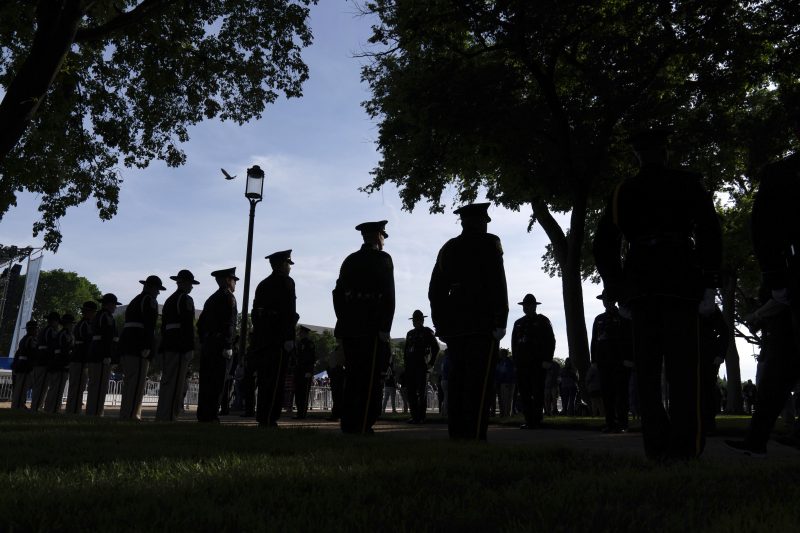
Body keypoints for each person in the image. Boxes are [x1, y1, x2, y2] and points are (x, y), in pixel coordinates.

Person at [593, 126, 722, 460]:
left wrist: (617, 285)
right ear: (665, 152)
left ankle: (657, 446)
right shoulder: (687, 183)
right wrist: (709, 280)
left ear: (637, 156)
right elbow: (709, 230)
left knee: (648, 373)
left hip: (641, 284)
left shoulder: (624, 190)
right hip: (680, 279)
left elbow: (604, 243)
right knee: (683, 371)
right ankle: (686, 446)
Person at [429, 203, 509, 440]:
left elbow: (436, 291)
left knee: (456, 382)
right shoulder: (489, 243)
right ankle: (474, 434)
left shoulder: (448, 248)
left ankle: (457, 434)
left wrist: (441, 323)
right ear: (479, 222)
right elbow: (498, 284)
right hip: (482, 322)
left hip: (455, 326)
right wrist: (500, 320)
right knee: (479, 384)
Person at [333, 220, 395, 434]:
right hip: (372, 326)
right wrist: (385, 327)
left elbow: (338, 294)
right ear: (378, 236)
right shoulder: (383, 259)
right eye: (383, 236)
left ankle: (349, 422)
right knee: (370, 379)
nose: (384, 241)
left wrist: (343, 321)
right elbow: (388, 295)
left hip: (351, 327)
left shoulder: (349, 260)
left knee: (352, 377)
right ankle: (364, 423)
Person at [250, 250, 297, 427]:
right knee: (276, 381)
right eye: (288, 264)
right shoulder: (286, 282)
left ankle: (263, 415)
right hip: (278, 338)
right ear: (282, 264)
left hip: (263, 339)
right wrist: (289, 337)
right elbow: (288, 312)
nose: (289, 267)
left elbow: (255, 314)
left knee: (264, 381)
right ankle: (270, 418)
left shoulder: (263, 284)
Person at [119, 275, 164, 420]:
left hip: (128, 344)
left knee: (129, 381)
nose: (158, 293)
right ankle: (132, 414)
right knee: (137, 382)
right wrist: (147, 345)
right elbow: (149, 325)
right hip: (139, 345)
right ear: (152, 288)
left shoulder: (135, 300)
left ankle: (126, 412)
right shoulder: (150, 301)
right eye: (157, 289)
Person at [196, 267, 239, 423]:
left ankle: (203, 414)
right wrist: (228, 344)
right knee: (217, 382)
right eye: (234, 280)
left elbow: (200, 325)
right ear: (228, 280)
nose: (235, 283)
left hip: (209, 344)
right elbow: (230, 324)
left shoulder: (211, 298)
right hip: (221, 345)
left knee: (207, 381)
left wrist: (205, 340)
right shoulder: (229, 298)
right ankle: (211, 415)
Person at [156, 269, 199, 421]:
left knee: (167, 381)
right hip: (180, 344)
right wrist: (190, 346)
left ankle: (162, 413)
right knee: (176, 382)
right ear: (185, 283)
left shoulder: (169, 300)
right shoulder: (186, 299)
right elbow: (188, 325)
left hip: (168, 343)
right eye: (191, 284)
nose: (192, 287)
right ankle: (169, 415)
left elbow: (164, 326)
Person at [590, 290, 634, 433]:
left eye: (608, 299)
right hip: (603, 361)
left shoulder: (623, 317)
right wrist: (594, 360)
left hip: (619, 361)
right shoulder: (599, 319)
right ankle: (610, 423)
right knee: (607, 394)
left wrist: (629, 358)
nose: (606, 302)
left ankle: (622, 423)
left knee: (621, 393)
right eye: (604, 299)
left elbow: (629, 338)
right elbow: (594, 341)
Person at [511, 293, 555, 429]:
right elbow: (514, 345)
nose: (526, 307)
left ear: (534, 306)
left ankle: (537, 419)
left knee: (537, 392)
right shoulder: (518, 323)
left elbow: (550, 341)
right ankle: (529, 419)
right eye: (525, 305)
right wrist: (515, 363)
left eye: (529, 305)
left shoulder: (543, 321)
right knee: (524, 393)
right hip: (522, 364)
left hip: (537, 363)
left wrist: (547, 359)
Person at [86, 293, 122, 416]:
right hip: (101, 354)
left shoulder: (100, 316)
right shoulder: (105, 316)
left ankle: (94, 411)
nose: (115, 307)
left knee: (96, 384)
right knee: (99, 385)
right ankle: (95, 412)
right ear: (109, 304)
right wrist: (108, 355)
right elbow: (106, 337)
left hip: (97, 352)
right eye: (114, 305)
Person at [403, 309, 440, 423]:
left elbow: (436, 347)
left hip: (421, 366)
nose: (415, 322)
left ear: (422, 320)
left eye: (417, 320)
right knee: (411, 392)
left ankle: (421, 417)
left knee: (422, 392)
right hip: (410, 367)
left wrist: (431, 363)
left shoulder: (427, 332)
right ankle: (414, 416)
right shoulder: (410, 334)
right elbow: (406, 351)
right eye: (414, 320)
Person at [698, 305, 728, 433]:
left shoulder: (711, 309)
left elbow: (724, 332)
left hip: (708, 355)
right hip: (704, 353)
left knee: (707, 389)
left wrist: (720, 354)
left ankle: (708, 423)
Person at [65, 301, 96, 414]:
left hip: (79, 358)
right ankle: (73, 410)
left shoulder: (83, 323)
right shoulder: (85, 324)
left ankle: (74, 409)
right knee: (77, 386)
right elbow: (86, 341)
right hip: (80, 358)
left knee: (78, 386)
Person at [30, 311, 61, 412]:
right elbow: (51, 346)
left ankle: (36, 406)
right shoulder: (51, 331)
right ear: (55, 322)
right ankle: (36, 408)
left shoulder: (44, 330)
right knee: (41, 386)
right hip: (44, 361)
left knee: (40, 386)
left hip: (39, 360)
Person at [44, 313, 75, 413]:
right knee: (56, 388)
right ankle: (51, 409)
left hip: (60, 363)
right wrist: (66, 362)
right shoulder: (64, 334)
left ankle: (53, 408)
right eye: (71, 324)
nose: (72, 326)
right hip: (60, 364)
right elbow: (63, 350)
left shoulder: (64, 334)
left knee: (58, 388)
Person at [11, 320, 38, 409]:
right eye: (35, 329)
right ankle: (18, 405)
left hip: (22, 365)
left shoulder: (25, 339)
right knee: (22, 387)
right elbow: (33, 352)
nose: (36, 331)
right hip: (25, 366)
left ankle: (18, 404)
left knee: (21, 387)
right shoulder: (30, 339)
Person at [293, 325, 316, 419]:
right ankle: (299, 412)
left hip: (306, 371)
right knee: (298, 392)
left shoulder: (309, 344)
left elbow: (311, 358)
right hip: (299, 370)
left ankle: (302, 413)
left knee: (304, 393)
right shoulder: (299, 343)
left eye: (301, 332)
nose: (299, 334)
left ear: (305, 333)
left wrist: (309, 371)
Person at [495, 349, 515, 418]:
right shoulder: (503, 362)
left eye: (500, 353)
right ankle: (505, 414)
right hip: (503, 382)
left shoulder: (507, 362)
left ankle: (506, 414)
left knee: (506, 400)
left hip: (506, 383)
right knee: (505, 400)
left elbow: (509, 372)